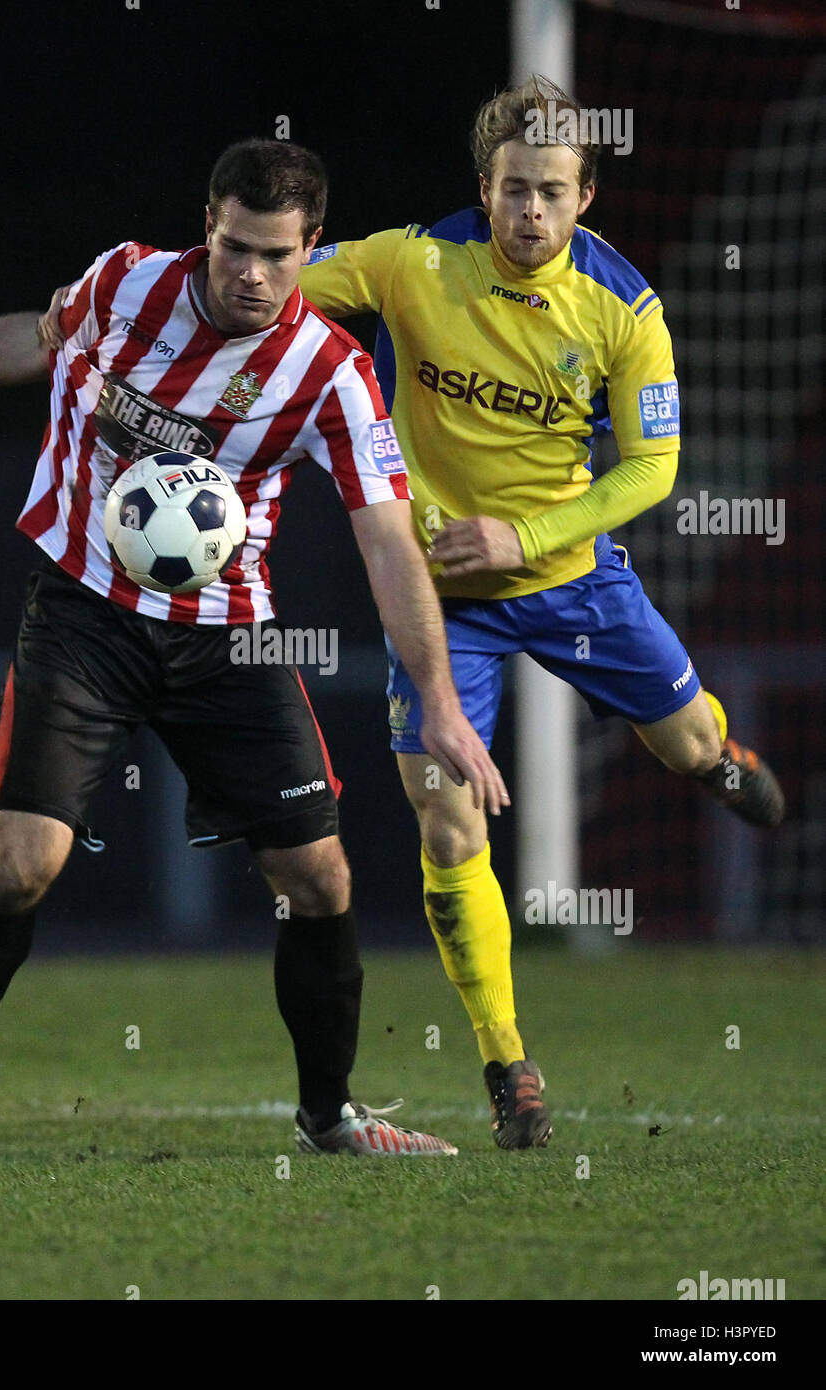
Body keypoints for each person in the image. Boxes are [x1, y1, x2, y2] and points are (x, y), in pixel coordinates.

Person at [0, 138, 509, 1159]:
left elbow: (388, 543)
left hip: (225, 644)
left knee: (321, 877)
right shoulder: (122, 283)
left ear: (312, 249)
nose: (251, 274)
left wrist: (438, 699)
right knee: (18, 867)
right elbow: (30, 340)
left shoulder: (333, 375)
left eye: (277, 256)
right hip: (84, 614)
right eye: (234, 248)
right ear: (206, 226)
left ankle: (329, 1114)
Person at [288, 77, 785, 1149]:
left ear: (585, 196)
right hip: (441, 600)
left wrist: (526, 534)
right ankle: (508, 1063)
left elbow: (653, 469)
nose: (529, 213)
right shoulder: (411, 262)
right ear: (486, 186)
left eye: (551, 193)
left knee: (693, 748)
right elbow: (275, 293)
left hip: (569, 578)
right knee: (445, 811)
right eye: (513, 191)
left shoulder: (624, 310)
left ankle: (720, 763)